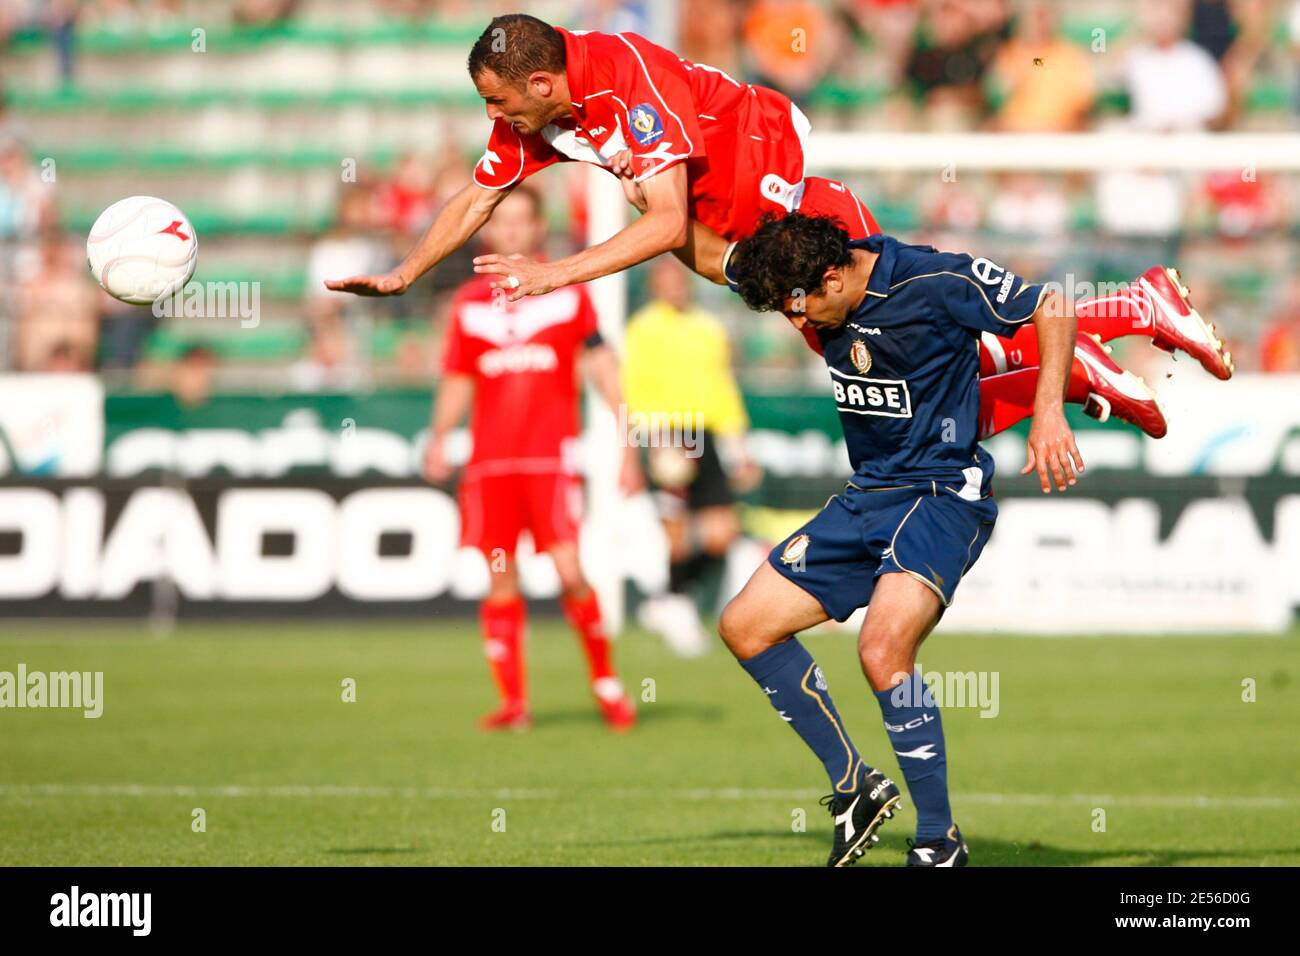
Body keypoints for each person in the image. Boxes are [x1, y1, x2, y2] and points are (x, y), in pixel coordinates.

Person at [326, 13, 1232, 438]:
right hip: (726, 226)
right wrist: (407, 271)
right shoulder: (535, 115)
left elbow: (668, 216)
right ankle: (1088, 368)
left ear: (540, 83)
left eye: (499, 102)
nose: (495, 119)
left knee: (897, 349)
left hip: (768, 175)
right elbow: (476, 196)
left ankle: (1124, 316)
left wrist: (557, 272)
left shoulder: (623, 85)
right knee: (890, 394)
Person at [720, 213, 1081, 866]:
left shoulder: (934, 280)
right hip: (868, 495)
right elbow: (704, 251)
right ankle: (855, 784)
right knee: (745, 626)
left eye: (804, 310)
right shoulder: (799, 279)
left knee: (882, 651)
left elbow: (1052, 306)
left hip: (942, 493)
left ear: (834, 276)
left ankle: (938, 840)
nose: (800, 324)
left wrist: (1048, 410)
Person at [424, 184, 641, 732]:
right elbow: (458, 378)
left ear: (539, 228)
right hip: (490, 465)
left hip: (548, 462)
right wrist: (438, 435)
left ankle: (607, 685)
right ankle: (514, 704)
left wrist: (626, 442)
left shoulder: (567, 292)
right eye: (505, 221)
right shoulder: (470, 304)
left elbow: (601, 367)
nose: (513, 230)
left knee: (570, 570)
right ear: (492, 228)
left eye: (524, 220)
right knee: (501, 578)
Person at [623, 256, 760, 657]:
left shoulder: (709, 328)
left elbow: (723, 387)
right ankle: (678, 609)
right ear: (654, 287)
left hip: (708, 432)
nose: (675, 288)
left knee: (722, 532)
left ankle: (668, 598)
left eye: (679, 281)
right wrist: (655, 439)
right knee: (677, 534)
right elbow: (637, 387)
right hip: (671, 433)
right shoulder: (643, 329)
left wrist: (739, 446)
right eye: (666, 282)